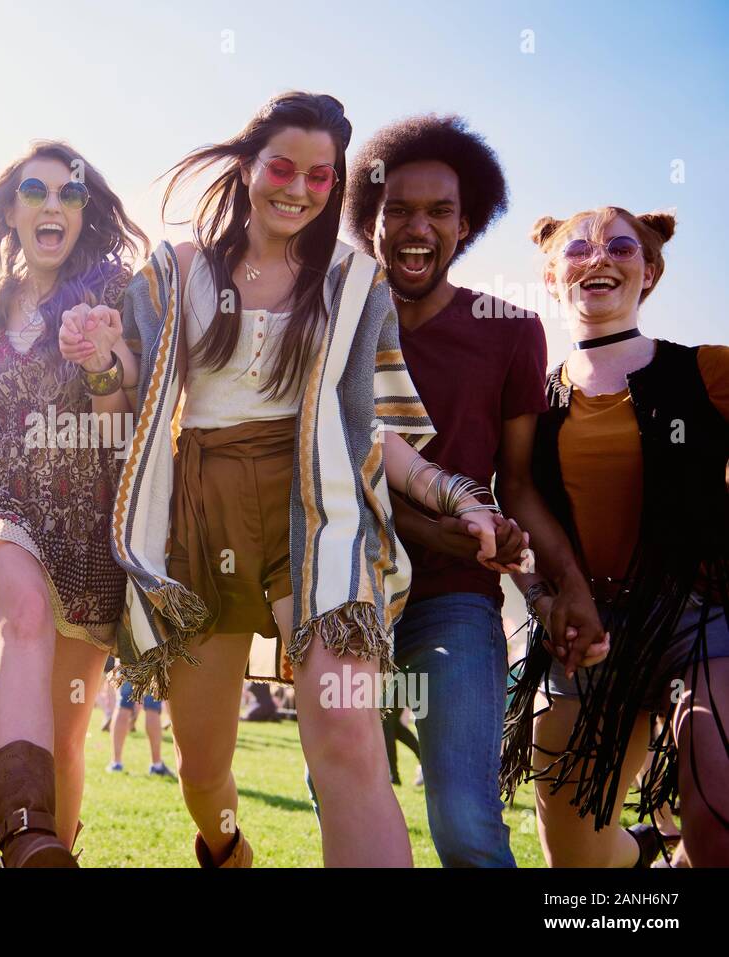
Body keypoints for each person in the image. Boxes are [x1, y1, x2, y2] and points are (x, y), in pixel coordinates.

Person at [109, 91, 501, 868]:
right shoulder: (178, 268)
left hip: (315, 513)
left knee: (346, 731)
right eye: (282, 167)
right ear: (249, 164)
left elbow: (375, 429)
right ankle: (225, 847)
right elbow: (127, 394)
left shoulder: (355, 282)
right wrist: (96, 363)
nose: (297, 188)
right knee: (202, 766)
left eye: (321, 177)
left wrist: (458, 495)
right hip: (197, 512)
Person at [341, 114, 608, 866]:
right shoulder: (334, 326)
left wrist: (569, 585)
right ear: (371, 219)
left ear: (469, 223)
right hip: (342, 596)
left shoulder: (510, 332)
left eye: (439, 211)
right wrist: (421, 526)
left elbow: (515, 485)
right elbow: (318, 463)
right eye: (397, 210)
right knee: (348, 801)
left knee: (463, 822)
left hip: (453, 600)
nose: (416, 227)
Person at [0, 140, 147, 866]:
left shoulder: (114, 289)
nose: (53, 204)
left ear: (86, 212)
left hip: (88, 524)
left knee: (66, 733)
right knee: (22, 609)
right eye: (36, 190)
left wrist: (100, 364)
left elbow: (125, 407)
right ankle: (24, 828)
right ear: (11, 209)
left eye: (71, 193)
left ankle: (39, 853)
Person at [502, 205, 729, 867]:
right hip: (585, 631)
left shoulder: (707, 372)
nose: (599, 258)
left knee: (718, 820)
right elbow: (515, 515)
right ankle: (642, 864)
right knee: (577, 859)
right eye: (578, 249)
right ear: (550, 278)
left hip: (699, 619)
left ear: (649, 272)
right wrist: (545, 601)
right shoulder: (529, 400)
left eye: (622, 247)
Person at [108, 681, 174, 777]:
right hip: (153, 667)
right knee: (152, 708)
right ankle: (157, 765)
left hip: (129, 666)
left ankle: (116, 763)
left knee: (123, 706)